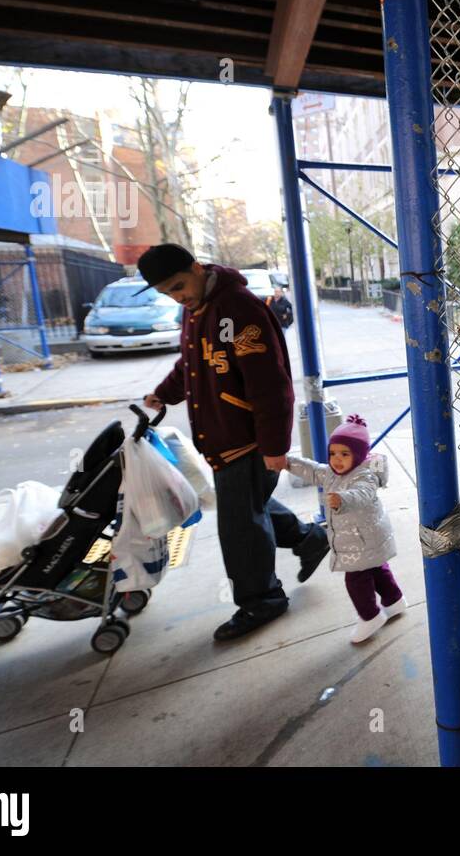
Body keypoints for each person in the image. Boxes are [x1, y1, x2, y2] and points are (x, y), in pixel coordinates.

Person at [138, 244, 329, 642]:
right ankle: (310, 539)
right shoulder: (198, 309)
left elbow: (271, 386)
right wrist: (164, 393)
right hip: (223, 437)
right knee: (245, 506)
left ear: (196, 268)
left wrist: (274, 446)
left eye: (179, 286)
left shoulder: (238, 309)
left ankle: (263, 599)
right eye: (167, 293)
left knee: (240, 527)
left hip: (247, 440)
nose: (178, 297)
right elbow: (190, 363)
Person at [286, 414, 406, 644]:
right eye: (333, 453)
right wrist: (289, 463)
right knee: (376, 569)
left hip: (361, 541)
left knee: (356, 579)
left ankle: (370, 616)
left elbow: (363, 493)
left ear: (359, 455)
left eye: (344, 454)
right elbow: (312, 470)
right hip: (368, 540)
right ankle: (394, 600)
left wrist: (342, 499)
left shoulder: (365, 475)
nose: (337, 460)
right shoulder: (332, 473)